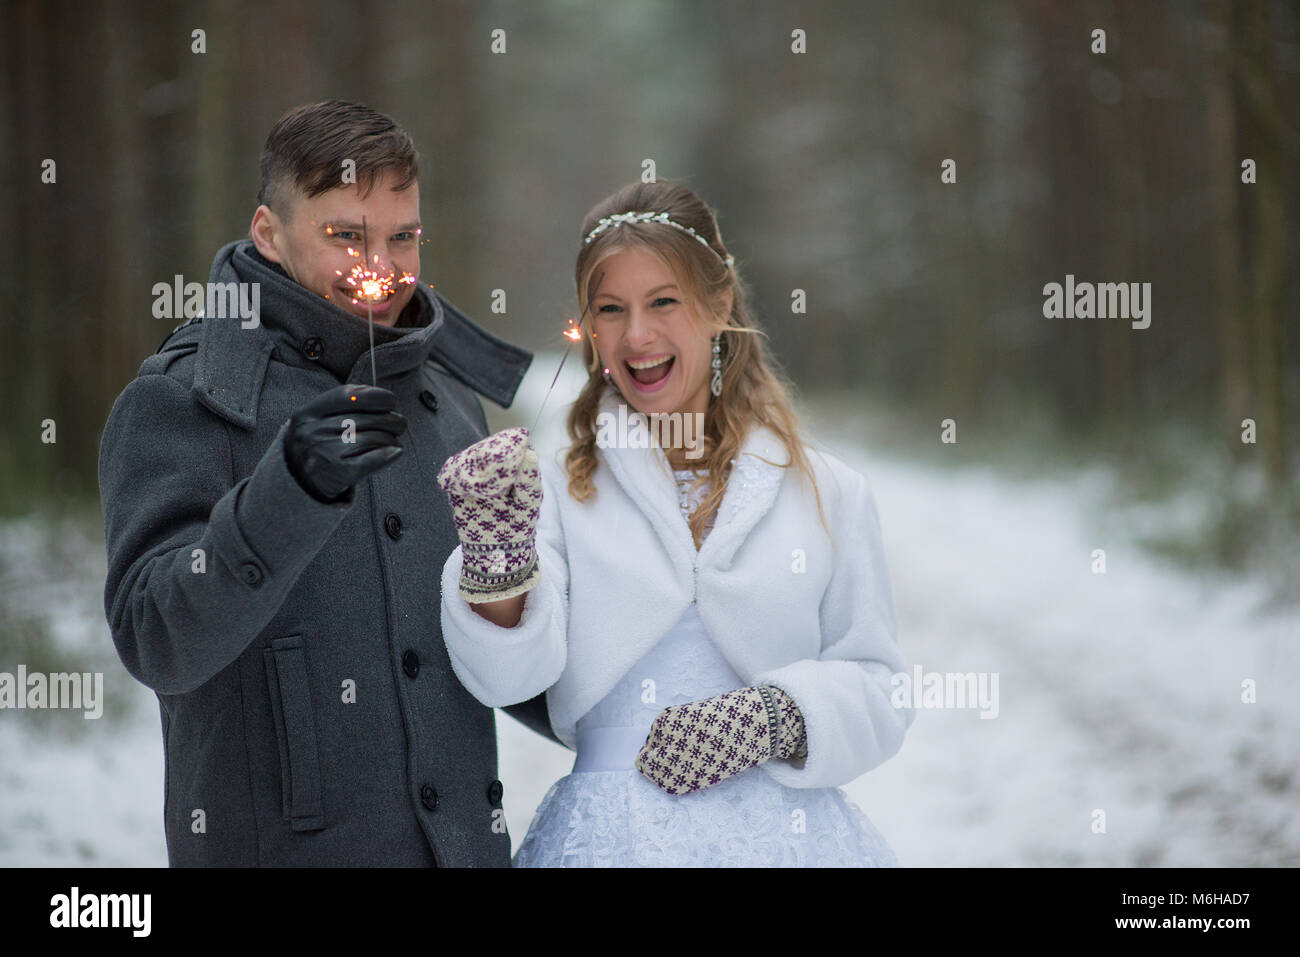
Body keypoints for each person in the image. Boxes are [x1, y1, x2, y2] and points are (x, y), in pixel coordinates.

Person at [97, 99, 557, 866]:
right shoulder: (184, 399)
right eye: (347, 236)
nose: (381, 265)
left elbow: (503, 665)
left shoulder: (453, 400)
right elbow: (157, 640)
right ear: (269, 234)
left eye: (402, 237)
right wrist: (290, 491)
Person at [437, 179, 914, 866]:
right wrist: (494, 563)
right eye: (611, 309)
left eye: (663, 301)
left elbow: (881, 688)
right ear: (590, 326)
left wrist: (772, 719)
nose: (637, 335)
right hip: (613, 840)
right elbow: (508, 680)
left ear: (720, 303)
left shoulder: (826, 492)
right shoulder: (554, 490)